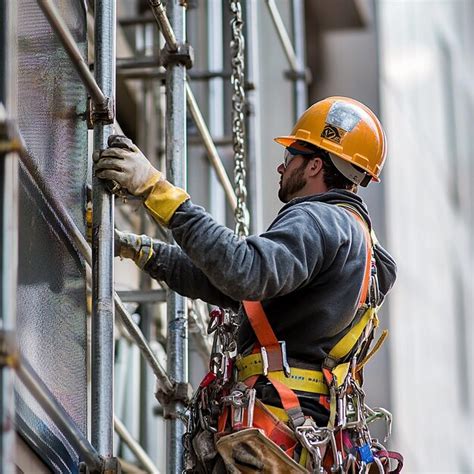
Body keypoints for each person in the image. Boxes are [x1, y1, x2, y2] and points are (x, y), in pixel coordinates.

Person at [94, 96, 397, 471]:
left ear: (316, 164)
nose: (281, 167)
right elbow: (232, 288)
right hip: (297, 431)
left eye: (292, 158)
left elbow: (241, 270)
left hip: (276, 427)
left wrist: (156, 190)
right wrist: (142, 251)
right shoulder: (355, 243)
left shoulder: (320, 220)